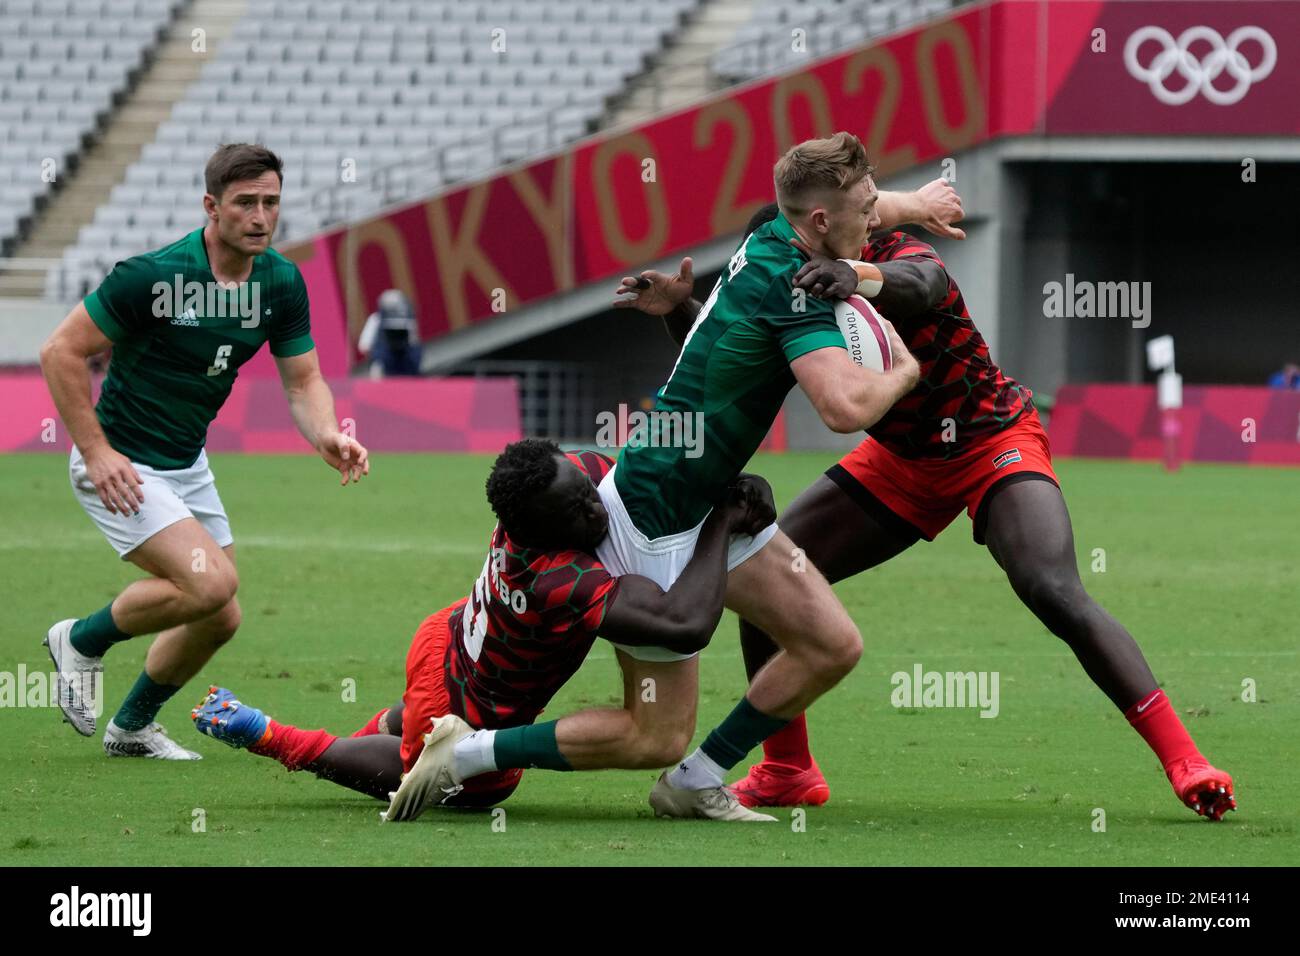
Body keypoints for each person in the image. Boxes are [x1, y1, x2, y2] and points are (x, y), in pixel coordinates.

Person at [623, 197, 1237, 822]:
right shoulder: (794, 293)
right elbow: (734, 356)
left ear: (816, 233)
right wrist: (681, 313)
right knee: (764, 585)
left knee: (1049, 586)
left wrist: (856, 274)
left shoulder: (895, 252)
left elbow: (926, 285)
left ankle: (1186, 760)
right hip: (899, 461)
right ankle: (787, 769)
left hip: (991, 438)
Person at [396, 132, 933, 822]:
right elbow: (843, 408)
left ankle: (694, 783)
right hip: (651, 523)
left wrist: (915, 203)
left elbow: (729, 358)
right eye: (866, 208)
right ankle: (469, 754)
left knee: (832, 646)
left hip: (702, 499)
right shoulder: (792, 291)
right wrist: (903, 371)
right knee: (654, 732)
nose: (874, 221)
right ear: (822, 222)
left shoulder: (771, 228)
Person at [190, 441, 775, 820]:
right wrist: (722, 521)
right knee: (469, 787)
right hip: (463, 709)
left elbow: (638, 475)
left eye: (585, 497)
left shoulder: (568, 474)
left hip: (447, 644)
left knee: (414, 733)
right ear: (538, 529)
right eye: (575, 515)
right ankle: (268, 733)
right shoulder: (552, 576)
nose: (595, 513)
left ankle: (396, 733)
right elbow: (686, 627)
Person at [39, 143, 370, 760]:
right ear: (211, 207)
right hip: (120, 463)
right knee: (210, 585)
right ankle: (79, 640)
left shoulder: (279, 280)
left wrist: (327, 432)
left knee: (219, 615)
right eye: (246, 203)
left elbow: (303, 381)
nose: (262, 217)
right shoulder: (154, 276)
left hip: (185, 462)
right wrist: (96, 451)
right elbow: (60, 350)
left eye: (271, 202)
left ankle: (131, 727)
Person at [357, 289, 422, 377]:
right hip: (384, 367)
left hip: (406, 366)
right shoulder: (376, 319)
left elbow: (414, 345)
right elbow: (364, 346)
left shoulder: (408, 320)